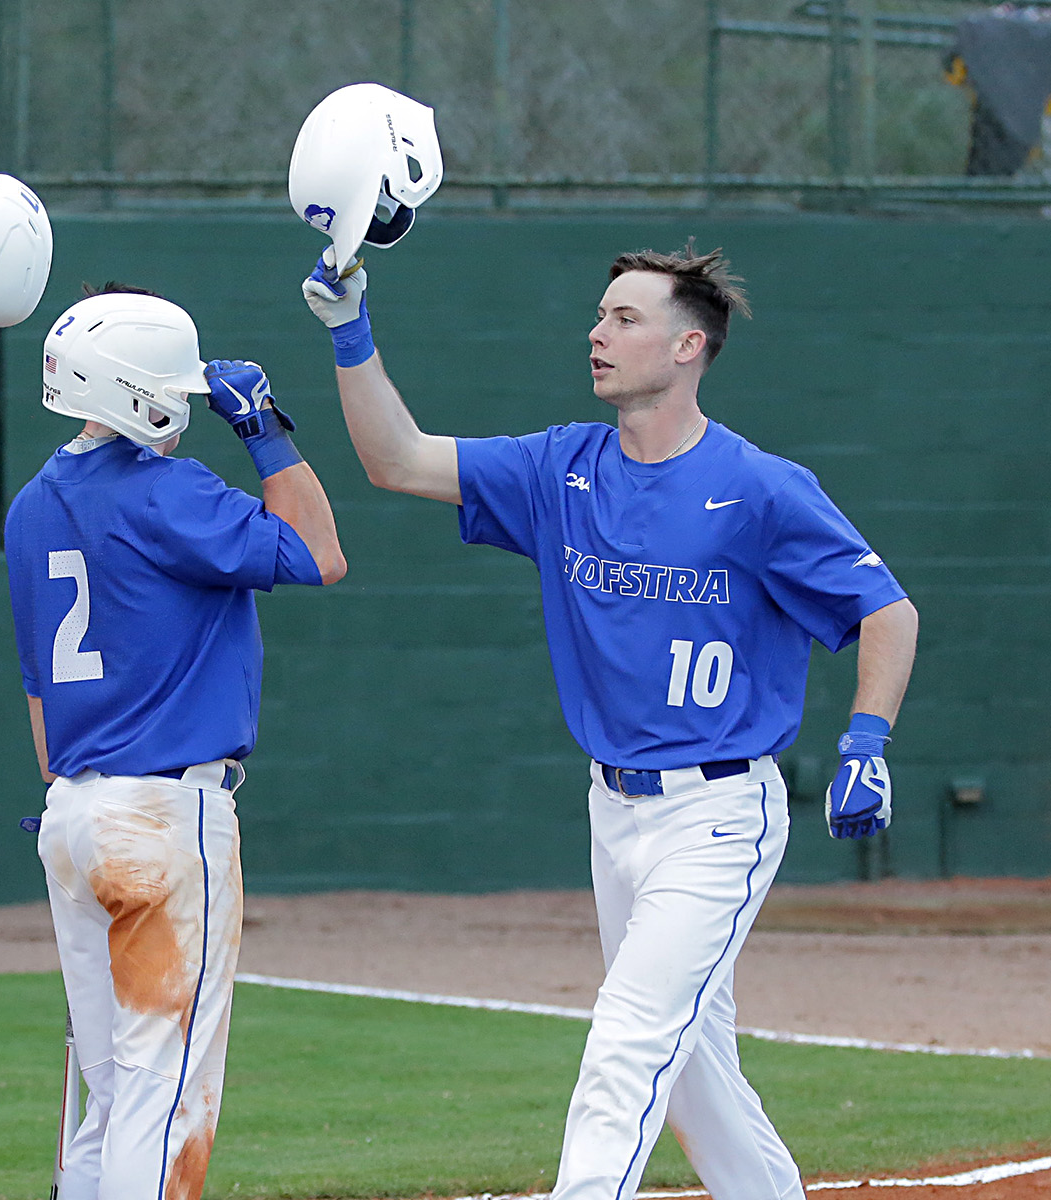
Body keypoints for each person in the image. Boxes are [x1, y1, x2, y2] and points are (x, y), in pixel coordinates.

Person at [301, 242, 918, 1200]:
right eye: (599, 314)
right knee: (696, 1074)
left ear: (689, 347)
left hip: (717, 814)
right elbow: (397, 460)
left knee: (629, 1042)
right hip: (614, 808)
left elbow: (888, 611)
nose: (597, 333)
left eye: (625, 319)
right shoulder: (562, 467)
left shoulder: (759, 487)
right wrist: (350, 330)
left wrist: (866, 741)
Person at [6, 285, 346, 1200]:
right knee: (166, 1089)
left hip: (73, 809)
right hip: (163, 811)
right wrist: (265, 428)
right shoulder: (170, 491)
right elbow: (319, 553)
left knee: (112, 1092)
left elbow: (41, 694)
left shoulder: (31, 505)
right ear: (135, 393)